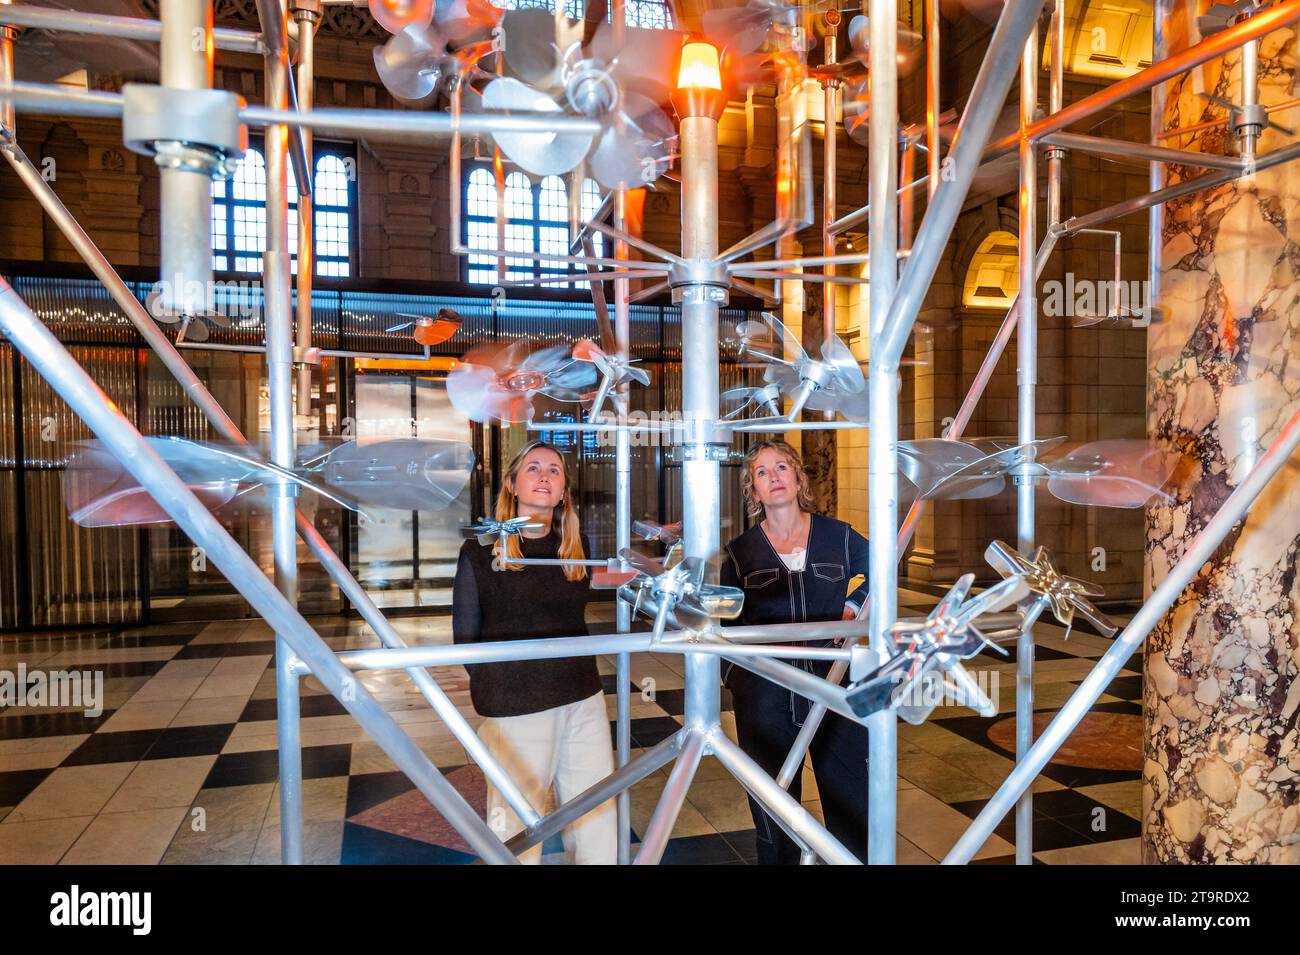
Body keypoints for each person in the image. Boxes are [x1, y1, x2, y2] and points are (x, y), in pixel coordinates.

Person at [452, 439, 615, 864]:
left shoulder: (572, 549)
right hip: (515, 704)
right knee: (516, 824)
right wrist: (503, 688)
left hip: (582, 696)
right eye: (533, 468)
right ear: (511, 484)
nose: (545, 476)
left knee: (596, 811)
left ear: (563, 492)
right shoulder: (481, 551)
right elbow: (466, 639)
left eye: (554, 471)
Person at [720, 439, 871, 864]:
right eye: (762, 473)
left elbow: (883, 563)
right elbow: (722, 625)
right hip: (766, 695)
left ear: (798, 476)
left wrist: (856, 606)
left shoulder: (837, 536)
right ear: (753, 491)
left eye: (781, 467)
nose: (774, 478)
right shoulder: (739, 553)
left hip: (837, 685)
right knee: (774, 808)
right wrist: (741, 682)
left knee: (853, 807)